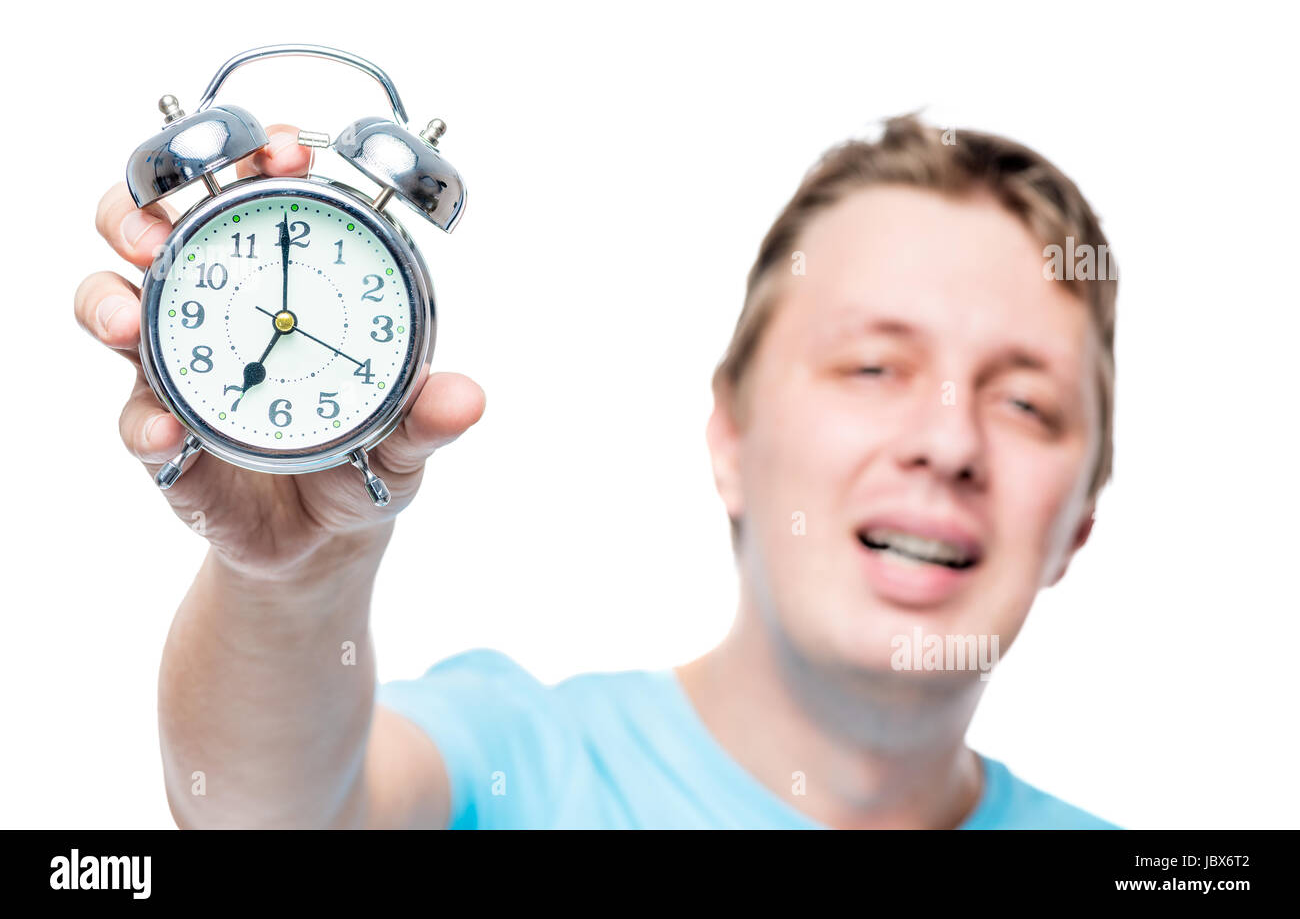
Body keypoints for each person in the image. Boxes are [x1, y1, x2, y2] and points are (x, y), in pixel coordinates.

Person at [75, 115, 1118, 829]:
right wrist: (290, 578)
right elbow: (270, 812)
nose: (948, 441)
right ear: (730, 437)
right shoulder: (515, 766)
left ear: (1078, 517)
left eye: (1026, 402)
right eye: (873, 365)